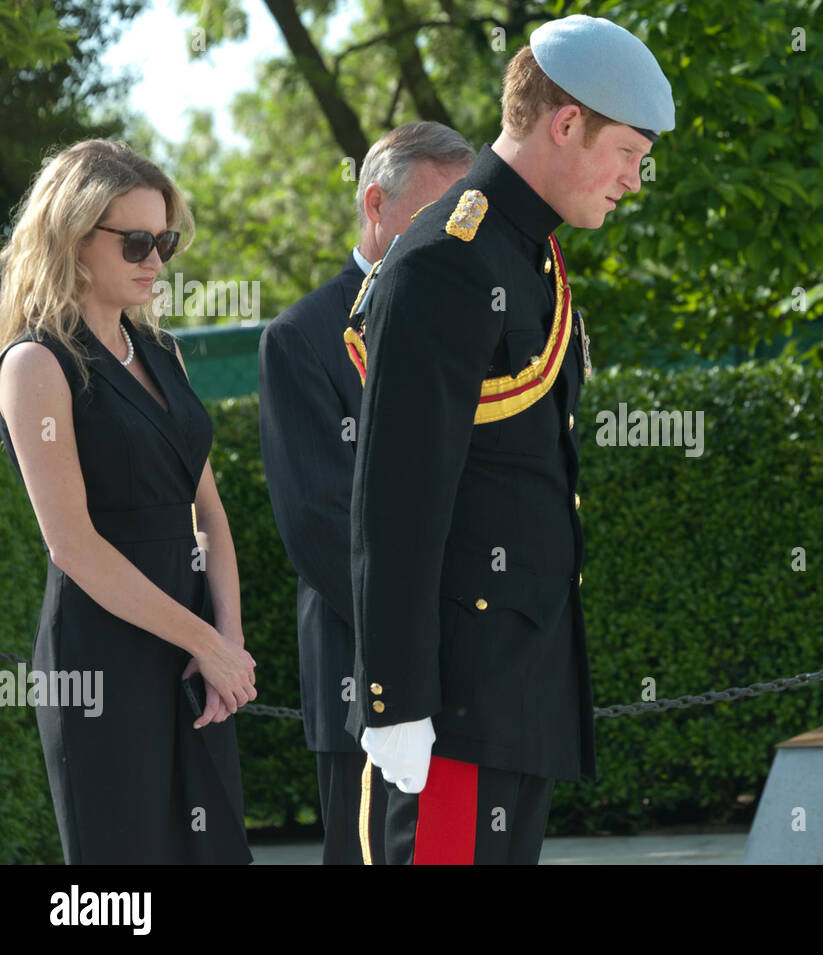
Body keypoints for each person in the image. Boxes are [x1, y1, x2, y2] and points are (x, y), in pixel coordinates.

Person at [344, 14, 674, 865]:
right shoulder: (447, 260)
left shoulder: (523, 255)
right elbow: (397, 503)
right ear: (566, 124)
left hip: (512, 689)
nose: (636, 180)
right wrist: (397, 699)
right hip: (450, 706)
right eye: (629, 154)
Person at [0, 139, 258, 864]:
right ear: (75, 238)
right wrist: (206, 643)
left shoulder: (163, 352)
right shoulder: (35, 363)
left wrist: (227, 641)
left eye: (165, 240)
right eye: (137, 241)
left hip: (197, 653)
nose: (156, 260)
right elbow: (72, 545)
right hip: (103, 659)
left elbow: (207, 511)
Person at [258, 121, 474, 865]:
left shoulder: (478, 321)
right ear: (376, 204)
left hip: (472, 664)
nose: (456, 233)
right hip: (367, 668)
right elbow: (320, 522)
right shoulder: (303, 336)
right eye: (438, 213)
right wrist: (426, 627)